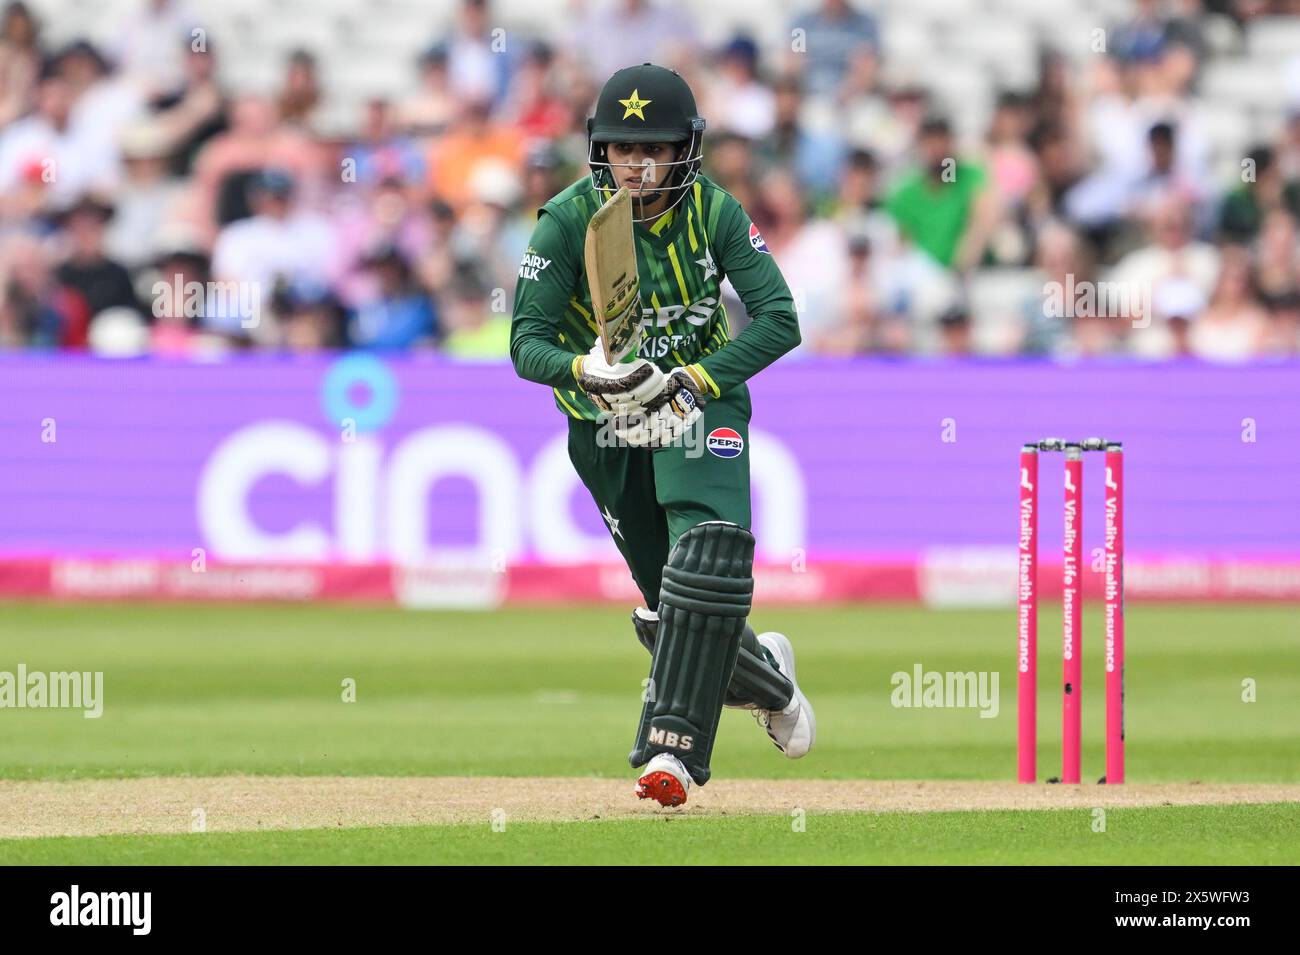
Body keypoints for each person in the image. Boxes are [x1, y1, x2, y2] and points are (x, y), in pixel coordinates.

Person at [509, 63, 814, 807]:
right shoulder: (567, 218)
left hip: (698, 404)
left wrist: (694, 380)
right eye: (622, 149)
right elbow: (525, 343)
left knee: (702, 564)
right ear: (599, 151)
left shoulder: (713, 212)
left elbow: (781, 319)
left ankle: (668, 756)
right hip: (605, 425)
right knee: (668, 609)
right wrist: (587, 370)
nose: (639, 165)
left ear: (688, 150)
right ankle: (772, 681)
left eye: (657, 150)